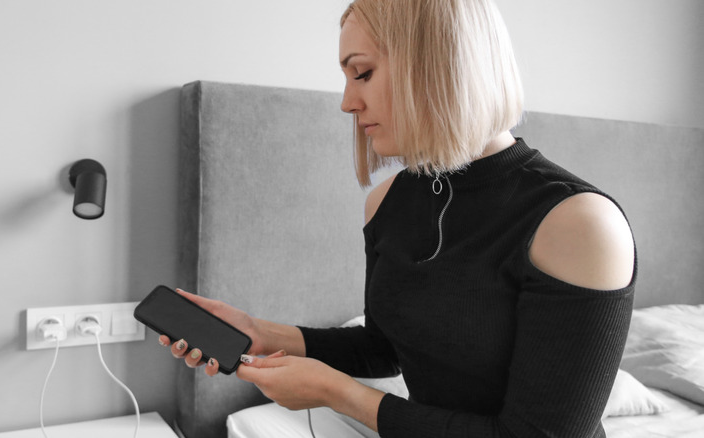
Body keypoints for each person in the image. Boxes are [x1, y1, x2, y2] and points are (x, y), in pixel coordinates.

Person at [159, 0, 636, 436]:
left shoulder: (579, 222)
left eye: (361, 74)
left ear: (436, 66)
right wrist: (262, 333)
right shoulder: (387, 201)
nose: (347, 102)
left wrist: (339, 394)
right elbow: (386, 346)